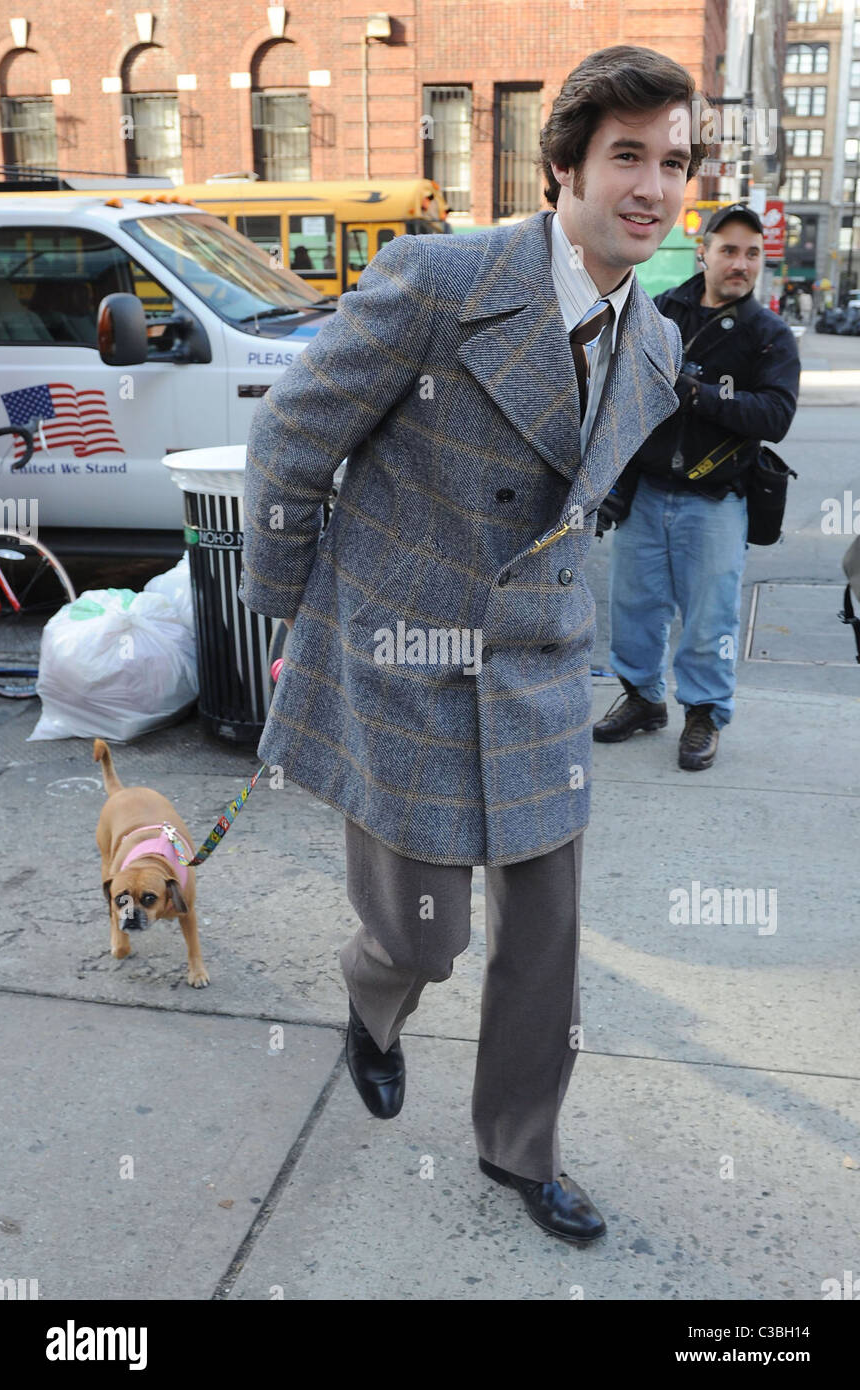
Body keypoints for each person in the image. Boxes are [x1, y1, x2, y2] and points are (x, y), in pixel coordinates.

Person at [239, 45, 707, 1244]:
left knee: (544, 943)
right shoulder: (443, 282)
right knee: (422, 937)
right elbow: (295, 431)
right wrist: (297, 612)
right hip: (406, 658)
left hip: (541, 669)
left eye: (676, 161)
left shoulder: (656, 348)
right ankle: (373, 996)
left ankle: (519, 1149)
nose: (654, 187)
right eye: (628, 157)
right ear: (564, 165)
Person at [593, 204, 800, 768]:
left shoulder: (769, 335)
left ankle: (705, 712)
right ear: (703, 251)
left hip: (717, 499)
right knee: (633, 606)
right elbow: (624, 395)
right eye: (729, 250)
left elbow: (776, 415)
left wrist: (697, 395)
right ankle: (642, 699)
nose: (741, 263)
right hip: (648, 491)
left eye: (752, 253)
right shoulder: (659, 310)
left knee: (710, 618)